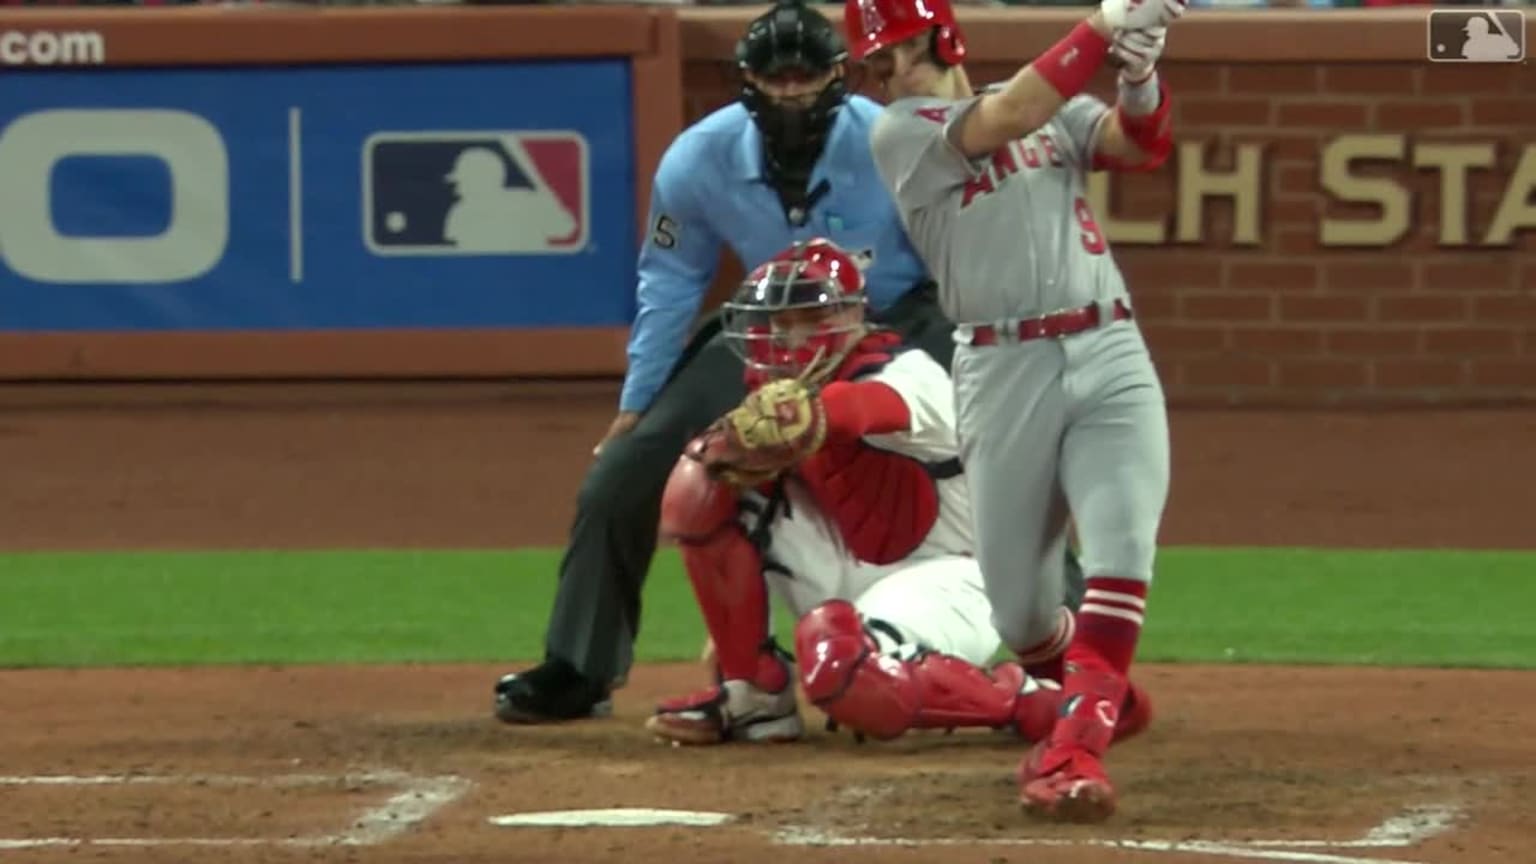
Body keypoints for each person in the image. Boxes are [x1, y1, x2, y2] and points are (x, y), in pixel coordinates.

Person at [492, 0, 959, 724]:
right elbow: (670, 282)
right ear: (748, 81)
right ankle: (579, 667)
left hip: (890, 319)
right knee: (626, 470)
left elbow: (959, 251)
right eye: (777, 79)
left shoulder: (892, 141)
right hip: (769, 335)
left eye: (808, 76)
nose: (793, 92)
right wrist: (638, 404)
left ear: (841, 75)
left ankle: (1066, 650)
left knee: (994, 452)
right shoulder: (698, 158)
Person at [845, 0, 1184, 823]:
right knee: (1021, 613)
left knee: (1119, 548)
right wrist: (1102, 29)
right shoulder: (902, 132)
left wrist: (1139, 75)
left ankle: (1074, 745)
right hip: (1001, 368)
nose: (886, 72)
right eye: (874, 61)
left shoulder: (1055, 109)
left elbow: (1141, 146)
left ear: (942, 35)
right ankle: (1099, 691)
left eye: (897, 50)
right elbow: (1011, 112)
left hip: (1108, 347)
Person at [644, 238, 1150, 750]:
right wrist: (739, 635)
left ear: (850, 317)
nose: (786, 337)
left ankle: (1030, 702)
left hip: (956, 578)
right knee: (702, 481)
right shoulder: (774, 398)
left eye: (803, 319)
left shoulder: (908, 373)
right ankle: (753, 693)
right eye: (777, 323)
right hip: (851, 567)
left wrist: (814, 416)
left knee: (843, 673)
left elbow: (867, 409)